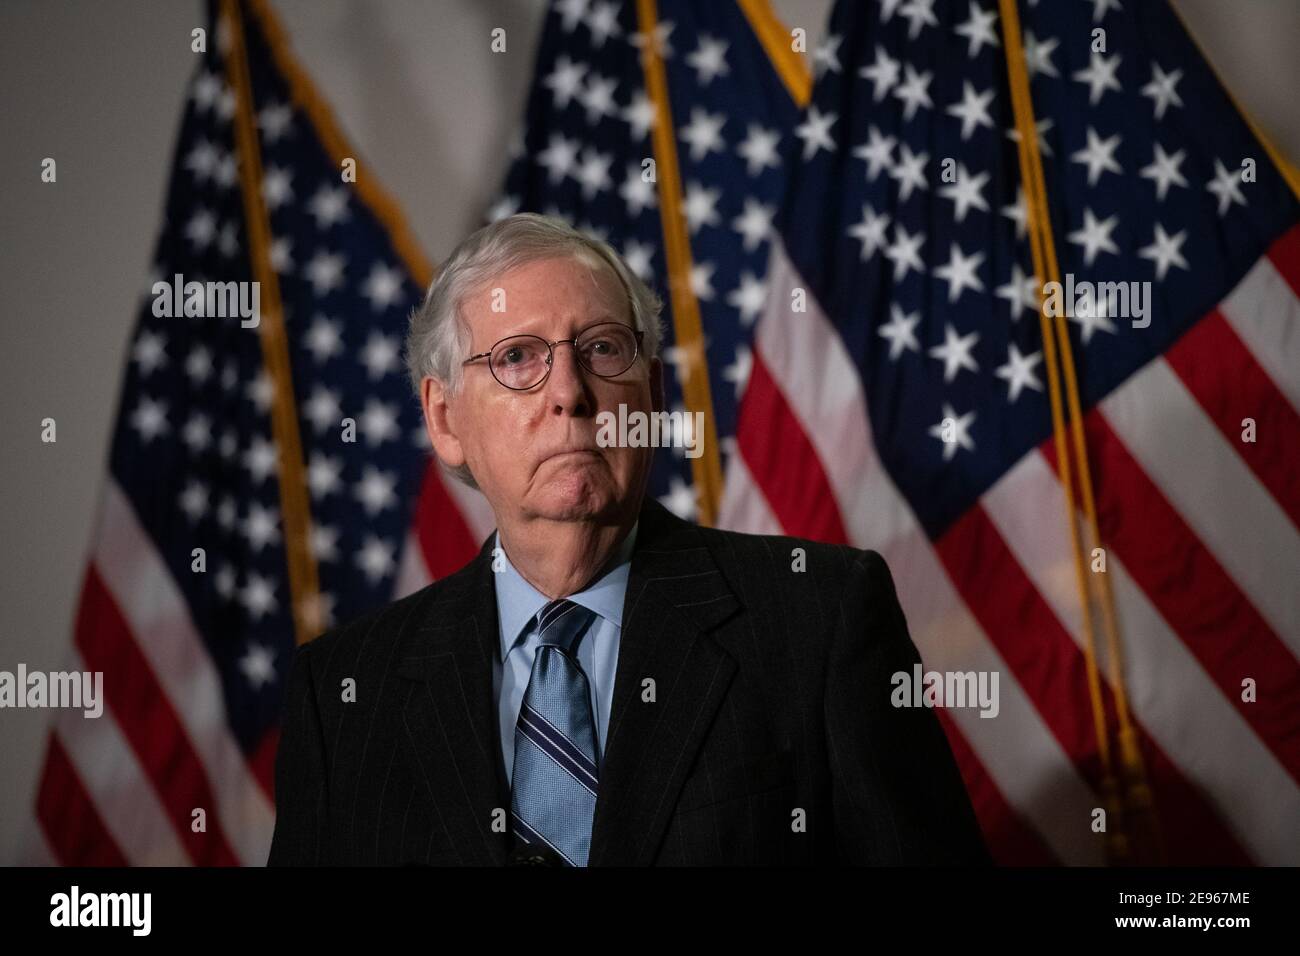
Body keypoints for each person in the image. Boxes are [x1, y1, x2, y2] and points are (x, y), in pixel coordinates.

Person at [267, 212, 991, 866]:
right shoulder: (341, 697)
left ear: (653, 391)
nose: (570, 392)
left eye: (603, 347)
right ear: (446, 420)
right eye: (518, 358)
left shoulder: (818, 620)